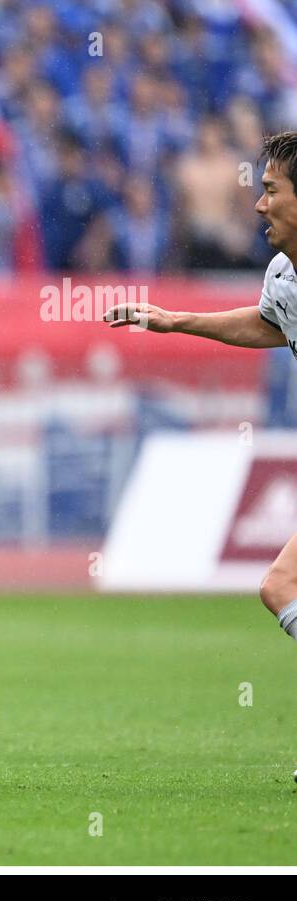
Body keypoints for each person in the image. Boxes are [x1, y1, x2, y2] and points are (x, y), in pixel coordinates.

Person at [106, 130, 297, 634]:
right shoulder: (283, 276)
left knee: (281, 587)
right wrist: (175, 320)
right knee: (280, 588)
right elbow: (269, 325)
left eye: (273, 191)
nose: (259, 205)